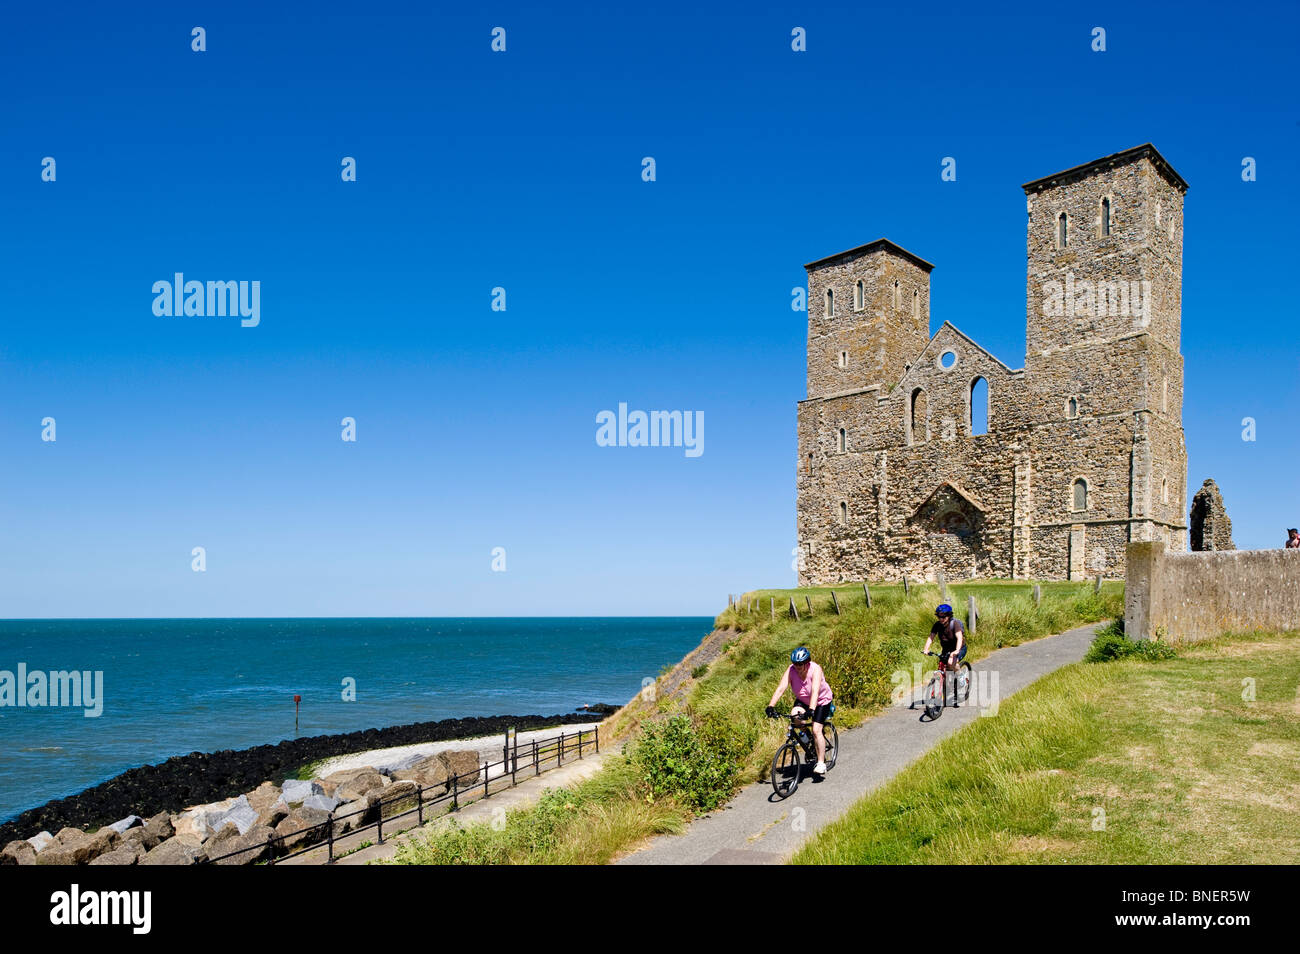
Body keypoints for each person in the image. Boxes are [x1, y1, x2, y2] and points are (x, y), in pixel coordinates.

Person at [765, 647, 834, 777]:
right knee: (795, 716)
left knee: (816, 729)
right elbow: (781, 688)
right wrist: (771, 706)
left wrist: (811, 710)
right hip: (803, 700)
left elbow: (815, 691)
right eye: (795, 663)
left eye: (800, 664)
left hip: (821, 701)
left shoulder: (815, 669)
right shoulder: (791, 670)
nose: (797, 666)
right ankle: (807, 739)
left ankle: (820, 763)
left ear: (807, 662)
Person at [923, 603, 967, 679]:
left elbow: (959, 637)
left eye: (943, 617)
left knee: (951, 662)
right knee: (942, 666)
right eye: (939, 616)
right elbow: (931, 637)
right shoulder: (937, 625)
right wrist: (926, 649)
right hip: (946, 649)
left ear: (949, 615)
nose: (941, 619)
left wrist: (956, 650)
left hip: (959, 648)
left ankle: (961, 677)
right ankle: (947, 686)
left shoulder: (954, 624)